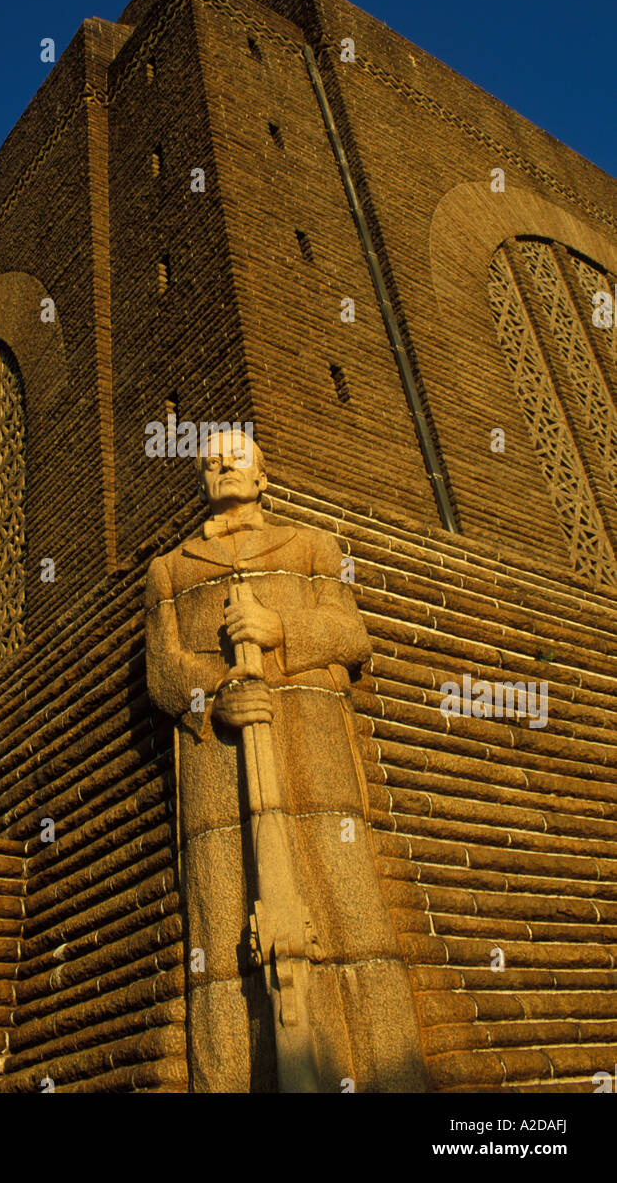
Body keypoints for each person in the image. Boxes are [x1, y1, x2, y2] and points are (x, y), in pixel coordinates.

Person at [145, 426, 427, 1092]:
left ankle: (382, 1073)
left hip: (313, 744)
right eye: (209, 461)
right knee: (224, 920)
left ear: (262, 474)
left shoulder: (310, 545)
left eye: (234, 457)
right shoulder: (171, 567)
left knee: (346, 901)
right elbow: (162, 670)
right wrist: (213, 699)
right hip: (219, 764)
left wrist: (282, 629)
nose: (221, 466)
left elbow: (351, 634)